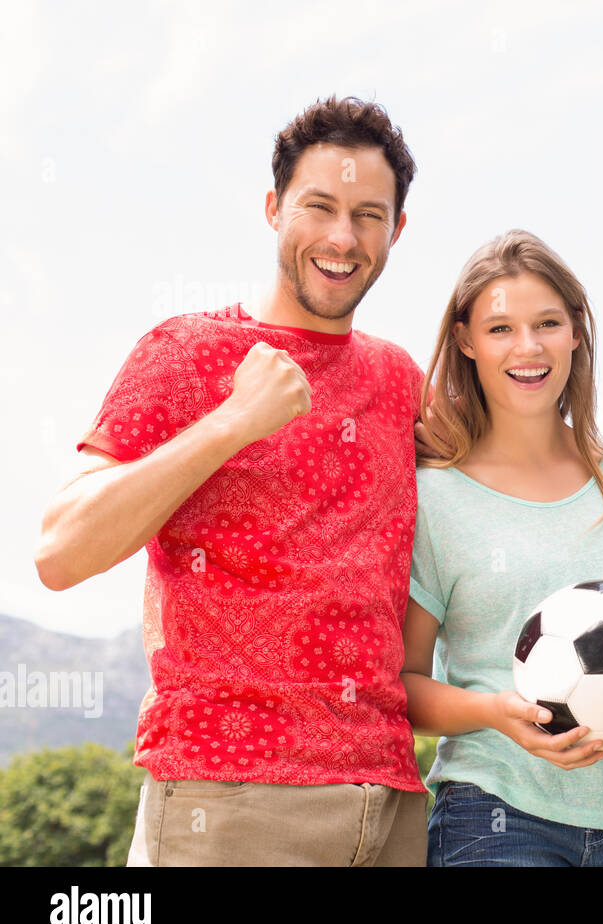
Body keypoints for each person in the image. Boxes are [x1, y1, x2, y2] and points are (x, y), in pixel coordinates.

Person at [34, 96, 429, 866]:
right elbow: (60, 551)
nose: (343, 239)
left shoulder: (398, 378)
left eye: (368, 215)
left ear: (397, 230)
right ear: (275, 208)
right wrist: (230, 424)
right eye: (319, 206)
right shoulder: (185, 353)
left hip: (391, 809)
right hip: (230, 801)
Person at [402, 229, 603, 867]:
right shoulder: (432, 498)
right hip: (495, 815)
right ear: (466, 341)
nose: (528, 347)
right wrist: (494, 712)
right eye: (501, 328)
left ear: (577, 333)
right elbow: (402, 685)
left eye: (548, 323)